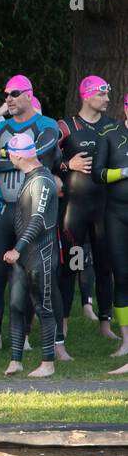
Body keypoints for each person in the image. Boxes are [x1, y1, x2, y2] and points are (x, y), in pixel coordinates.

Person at [0, 76, 64, 363]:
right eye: (6, 95)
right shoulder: (0, 127)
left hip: (34, 211)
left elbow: (45, 153)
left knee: (42, 277)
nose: (8, 99)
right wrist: (18, 158)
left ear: (28, 94)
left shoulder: (47, 125)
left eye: (14, 94)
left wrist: (10, 156)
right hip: (2, 210)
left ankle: (55, 345)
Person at [56, 76, 116, 340]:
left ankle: (105, 324)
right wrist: (69, 166)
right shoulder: (66, 127)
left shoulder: (112, 127)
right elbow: (46, 160)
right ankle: (64, 323)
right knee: (72, 266)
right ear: (87, 95)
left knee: (104, 266)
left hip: (103, 209)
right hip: (75, 210)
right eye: (102, 94)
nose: (107, 99)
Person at [0, 132, 59, 378]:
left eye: (10, 154)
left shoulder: (42, 181)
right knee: (15, 305)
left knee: (43, 307)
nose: (8, 158)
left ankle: (48, 362)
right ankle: (16, 360)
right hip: (25, 256)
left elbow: (38, 220)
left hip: (40, 254)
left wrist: (17, 249)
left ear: (17, 155)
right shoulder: (30, 176)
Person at [101, 100, 128, 372]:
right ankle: (125, 340)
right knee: (121, 276)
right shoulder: (112, 135)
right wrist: (122, 172)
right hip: (117, 214)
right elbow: (97, 173)